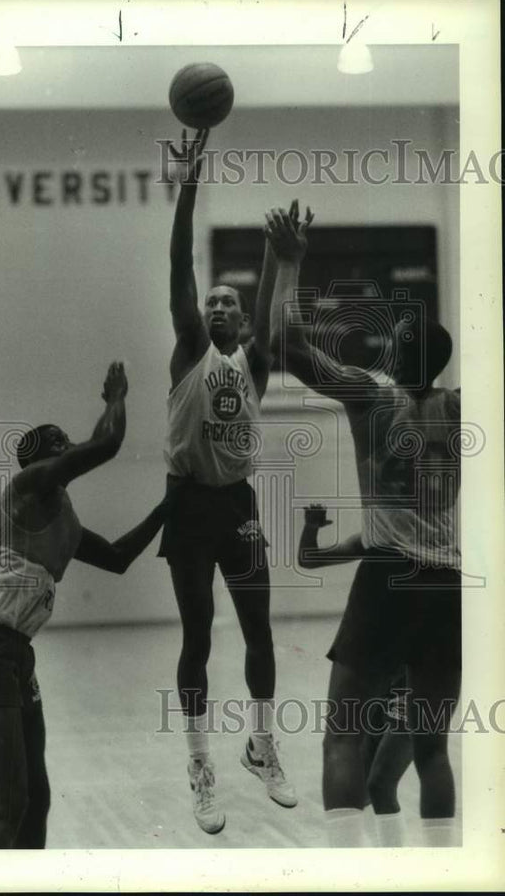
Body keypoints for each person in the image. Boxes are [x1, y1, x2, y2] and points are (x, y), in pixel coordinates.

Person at [266, 206, 461, 847]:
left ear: (399, 349)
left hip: (388, 575)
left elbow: (287, 348)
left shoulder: (374, 394)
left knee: (344, 732)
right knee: (431, 748)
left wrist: (291, 263)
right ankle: (439, 873)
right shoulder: (461, 409)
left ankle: (349, 872)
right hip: (449, 583)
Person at [0, 362, 170, 848]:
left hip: (16, 652)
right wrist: (116, 397)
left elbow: (116, 557)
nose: (71, 447)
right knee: (8, 804)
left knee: (37, 799)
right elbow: (105, 445)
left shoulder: (64, 515)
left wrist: (167, 507)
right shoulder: (27, 489)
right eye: (62, 442)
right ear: (46, 458)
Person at [159, 129, 297, 834]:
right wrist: (188, 183)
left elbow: (273, 309)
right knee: (197, 637)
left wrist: (276, 253)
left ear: (240, 324)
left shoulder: (254, 364)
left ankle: (263, 743)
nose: (215, 307)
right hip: (188, 508)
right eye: (209, 301)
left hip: (237, 505)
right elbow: (180, 260)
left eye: (227, 304)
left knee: (259, 632)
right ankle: (200, 765)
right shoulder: (188, 349)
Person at [299, 504, 413, 846]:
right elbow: (309, 557)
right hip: (393, 651)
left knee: (374, 780)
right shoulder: (382, 540)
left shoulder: (405, 544)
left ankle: (380, 867)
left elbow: (308, 559)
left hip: (398, 654)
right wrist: (311, 528)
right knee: (373, 784)